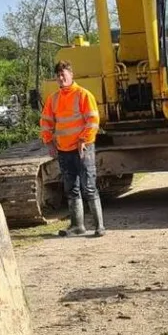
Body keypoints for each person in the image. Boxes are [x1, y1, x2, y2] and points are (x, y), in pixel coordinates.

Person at [40, 61, 105, 237]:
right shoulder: (53, 99)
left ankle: (99, 226)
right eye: (58, 75)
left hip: (82, 149)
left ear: (71, 74)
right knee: (71, 189)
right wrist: (49, 142)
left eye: (64, 74)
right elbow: (46, 123)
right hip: (64, 150)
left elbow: (93, 121)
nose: (61, 78)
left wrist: (84, 139)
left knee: (89, 187)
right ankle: (77, 226)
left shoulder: (83, 95)